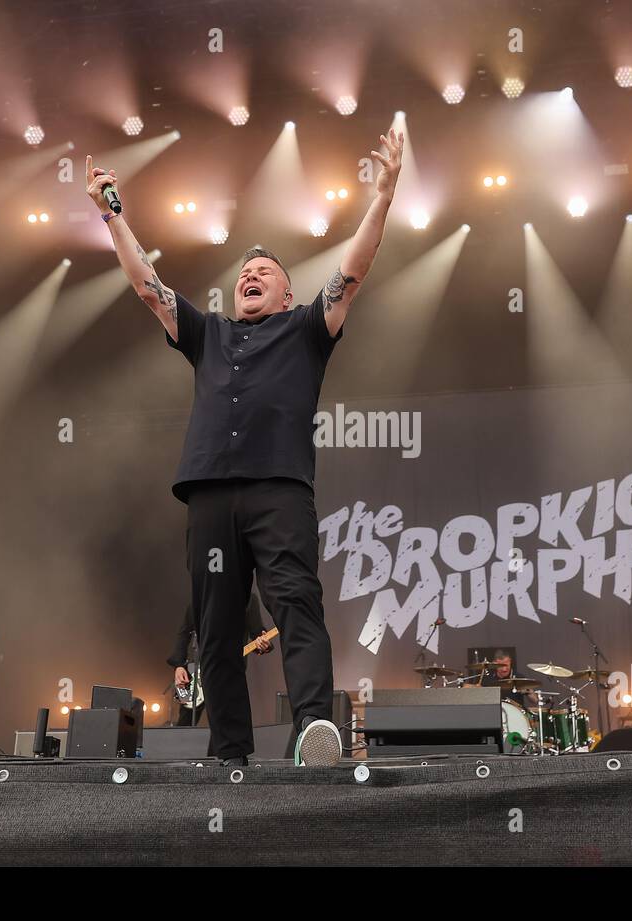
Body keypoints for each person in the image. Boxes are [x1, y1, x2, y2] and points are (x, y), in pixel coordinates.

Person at [86, 128, 405, 766]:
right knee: (216, 628)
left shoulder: (308, 327)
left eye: (265, 273)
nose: (251, 275)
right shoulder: (207, 334)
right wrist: (111, 215)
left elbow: (354, 270)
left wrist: (384, 197)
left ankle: (315, 727)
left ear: (287, 294)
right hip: (208, 494)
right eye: (244, 273)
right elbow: (148, 286)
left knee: (295, 601)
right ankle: (229, 751)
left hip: (277, 490)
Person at [168, 590, 272, 727]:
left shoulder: (247, 598)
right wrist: (179, 665)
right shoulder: (200, 597)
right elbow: (184, 633)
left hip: (229, 672)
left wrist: (264, 644)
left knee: (225, 726)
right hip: (194, 670)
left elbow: (258, 632)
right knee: (184, 724)